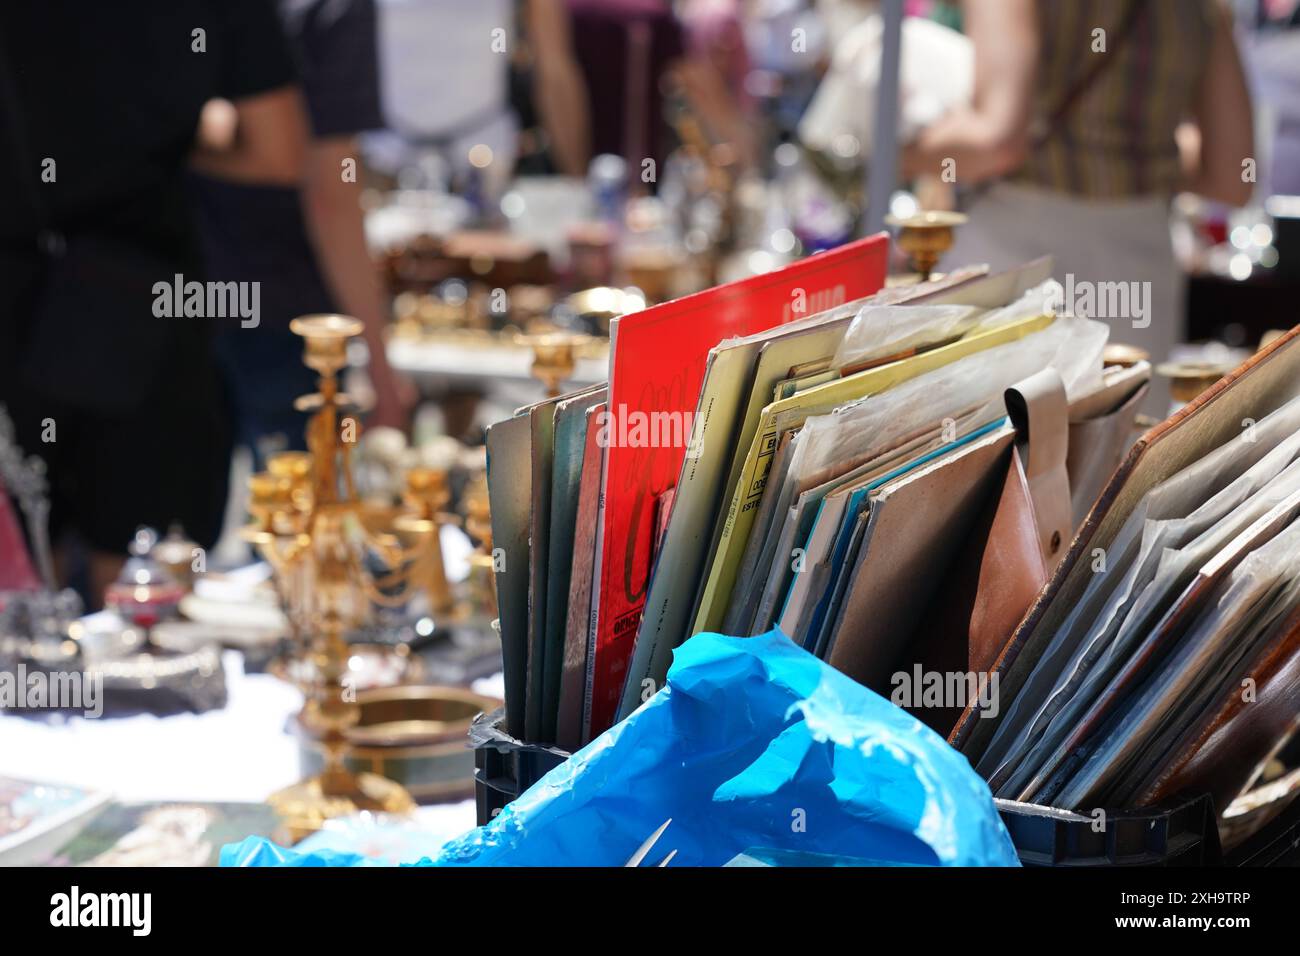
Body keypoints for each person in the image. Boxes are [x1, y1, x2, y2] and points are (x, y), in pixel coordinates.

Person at [0, 1, 304, 605]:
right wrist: (177, 136)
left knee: (20, 611)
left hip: (19, 292)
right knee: (149, 611)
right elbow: (278, 148)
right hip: (147, 298)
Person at [902, 0, 1254, 414]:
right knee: (1117, 460)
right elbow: (1234, 175)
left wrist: (886, 153)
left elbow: (997, 139)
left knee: (1001, 458)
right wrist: (1133, 156)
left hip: (1017, 260)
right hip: (1140, 270)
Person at [190, 0, 415, 467]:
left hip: (158, 288)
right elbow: (329, 192)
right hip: (282, 315)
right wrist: (378, 363)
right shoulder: (333, 11)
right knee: (301, 526)